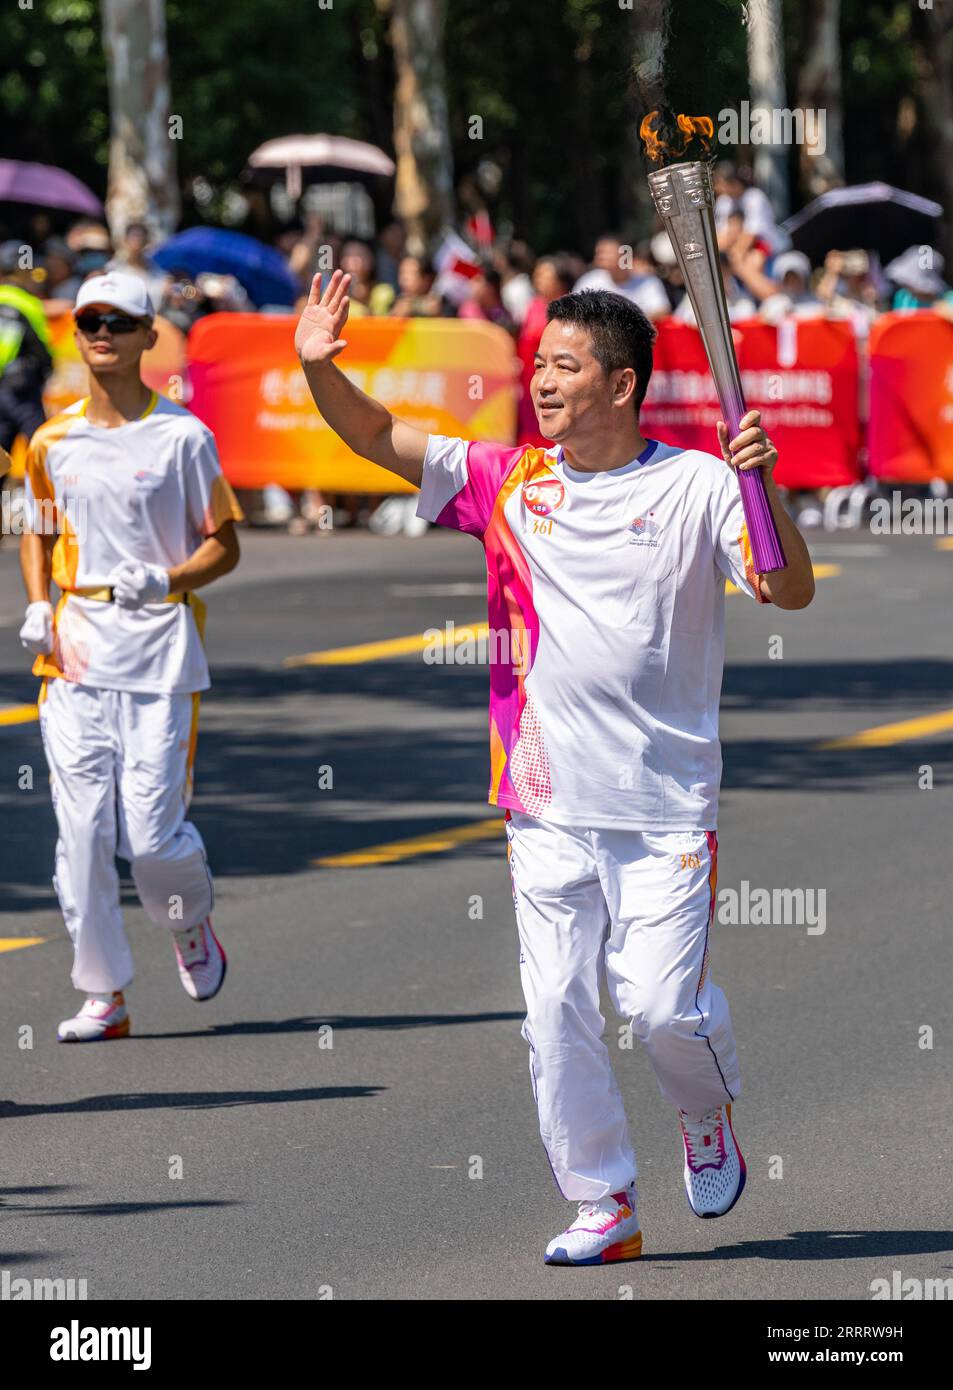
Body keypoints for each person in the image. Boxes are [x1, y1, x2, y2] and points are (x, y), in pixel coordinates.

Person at [294, 271, 815, 1264]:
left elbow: (786, 590)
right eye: (538, 364)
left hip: (663, 803)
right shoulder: (507, 481)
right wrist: (320, 367)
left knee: (661, 1010)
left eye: (564, 367)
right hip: (541, 798)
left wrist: (763, 486)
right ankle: (602, 1201)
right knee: (555, 1012)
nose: (540, 382)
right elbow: (375, 435)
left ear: (620, 385)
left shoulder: (699, 484)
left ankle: (702, 1109)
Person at [18, 270, 244, 1043]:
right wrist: (39, 604)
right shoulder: (51, 441)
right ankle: (103, 993)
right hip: (75, 655)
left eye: (119, 322)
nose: (103, 335)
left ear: (150, 335)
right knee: (81, 831)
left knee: (149, 837)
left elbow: (225, 544)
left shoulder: (183, 438)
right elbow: (37, 528)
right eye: (90, 322)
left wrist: (167, 579)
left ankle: (188, 923)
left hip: (157, 653)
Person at [0, 240, 54, 454]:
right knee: (43, 449)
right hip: (20, 389)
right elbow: (40, 349)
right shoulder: (28, 303)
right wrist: (48, 368)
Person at [573, 234, 670, 320]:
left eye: (605, 252)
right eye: (598, 253)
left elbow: (662, 310)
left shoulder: (648, 281)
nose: (600, 257)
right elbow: (575, 309)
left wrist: (628, 322)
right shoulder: (589, 281)